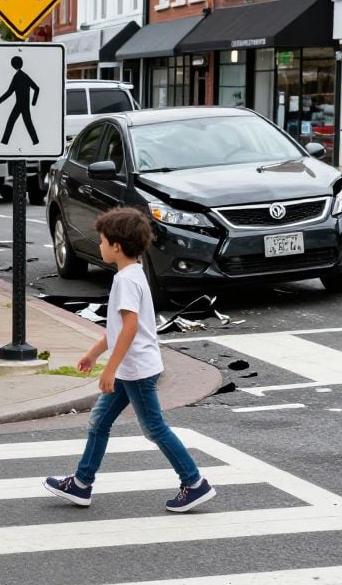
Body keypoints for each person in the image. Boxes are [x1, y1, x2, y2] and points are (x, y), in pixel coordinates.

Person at [44, 208, 216, 512]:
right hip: (133, 367)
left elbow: (130, 327)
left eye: (101, 241)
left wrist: (109, 369)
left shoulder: (125, 281)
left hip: (135, 370)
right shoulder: (133, 274)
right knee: (99, 422)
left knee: (154, 428)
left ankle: (194, 483)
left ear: (117, 246)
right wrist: (95, 352)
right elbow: (119, 328)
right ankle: (82, 484)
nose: (99, 246)